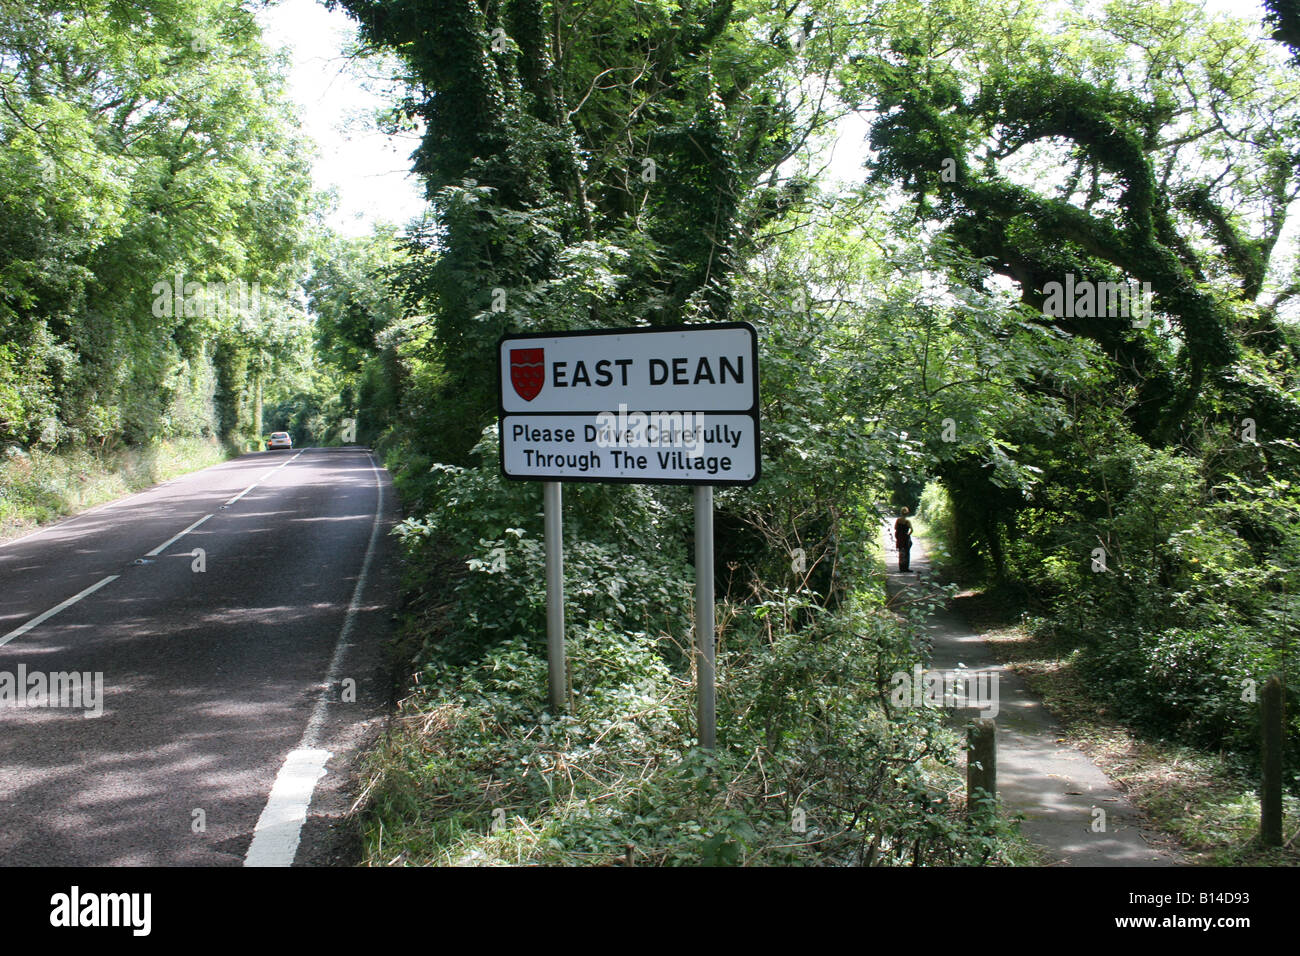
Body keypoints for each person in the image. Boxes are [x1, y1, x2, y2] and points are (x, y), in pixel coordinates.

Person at [894, 507, 913, 572]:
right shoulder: (907, 521)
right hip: (905, 538)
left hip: (899, 538)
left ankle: (901, 568)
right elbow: (911, 530)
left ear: (901, 513)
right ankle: (906, 568)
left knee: (901, 552)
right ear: (907, 513)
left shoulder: (898, 520)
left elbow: (895, 528)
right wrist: (908, 535)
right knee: (907, 553)